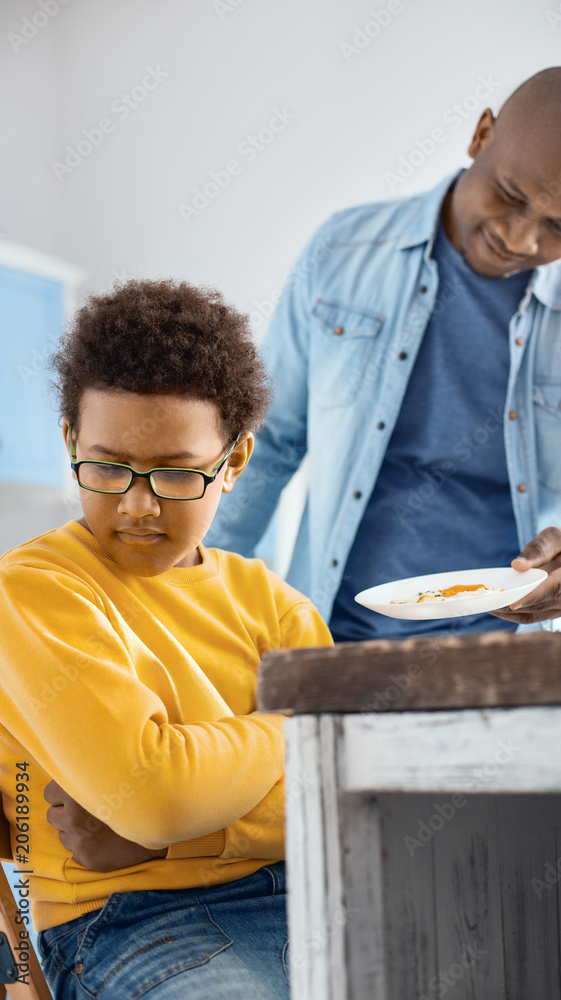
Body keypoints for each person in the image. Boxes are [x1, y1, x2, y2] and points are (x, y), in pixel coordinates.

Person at [206, 66, 561, 642]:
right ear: (480, 136)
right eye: (511, 195)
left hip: (510, 671)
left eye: (560, 227)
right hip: (325, 644)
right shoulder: (343, 254)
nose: (521, 239)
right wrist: (191, 596)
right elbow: (264, 446)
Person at [0, 279, 332, 999]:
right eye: (108, 466)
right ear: (70, 443)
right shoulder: (36, 588)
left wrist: (179, 836)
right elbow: (149, 791)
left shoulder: (275, 607)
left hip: (310, 902)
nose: (138, 505)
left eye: (177, 473)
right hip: (125, 923)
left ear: (234, 463)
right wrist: (290, 724)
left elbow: (334, 793)